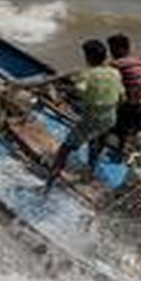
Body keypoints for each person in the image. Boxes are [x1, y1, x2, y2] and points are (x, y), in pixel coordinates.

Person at [46, 39, 124, 188]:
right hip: (110, 118)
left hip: (92, 118)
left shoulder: (86, 74)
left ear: (87, 56)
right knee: (95, 141)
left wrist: (62, 90)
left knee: (64, 150)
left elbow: (79, 90)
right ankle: (89, 173)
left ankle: (48, 185)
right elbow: (121, 97)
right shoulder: (115, 73)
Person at [107, 33, 141, 148]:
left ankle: (120, 148)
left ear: (120, 49)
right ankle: (136, 135)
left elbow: (98, 75)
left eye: (112, 49)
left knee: (114, 126)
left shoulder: (117, 64)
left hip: (134, 107)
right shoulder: (139, 61)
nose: (111, 53)